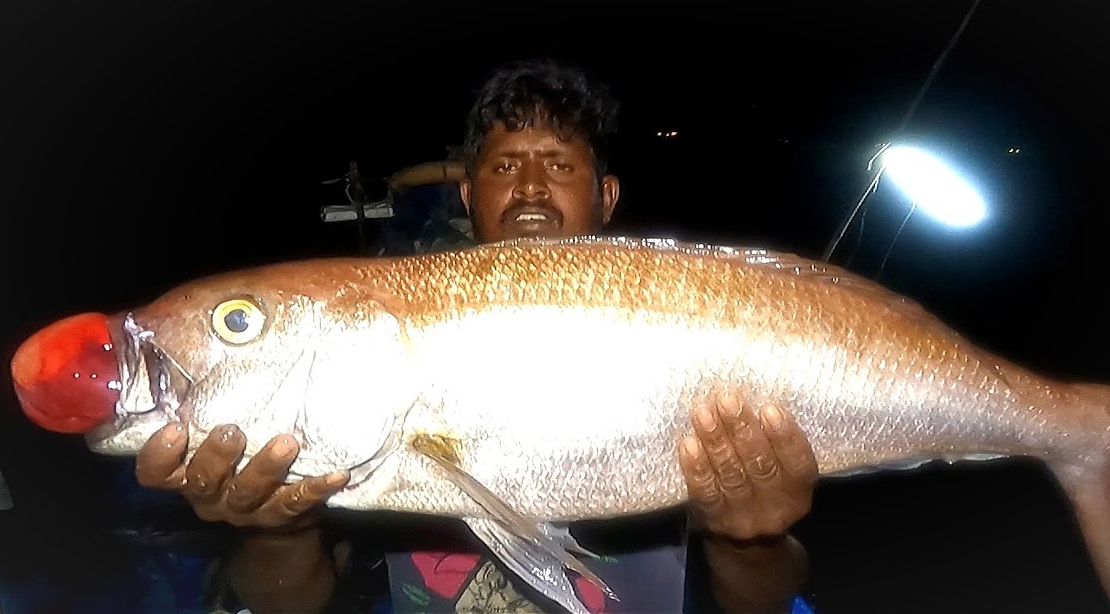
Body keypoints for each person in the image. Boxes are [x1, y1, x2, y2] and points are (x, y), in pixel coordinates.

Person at [133, 58, 818, 613]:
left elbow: (767, 599)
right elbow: (291, 602)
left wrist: (747, 540)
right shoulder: (366, 342)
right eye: (501, 166)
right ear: (467, 196)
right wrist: (275, 526)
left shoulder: (687, 326)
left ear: (605, 197)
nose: (527, 189)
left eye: (558, 165)